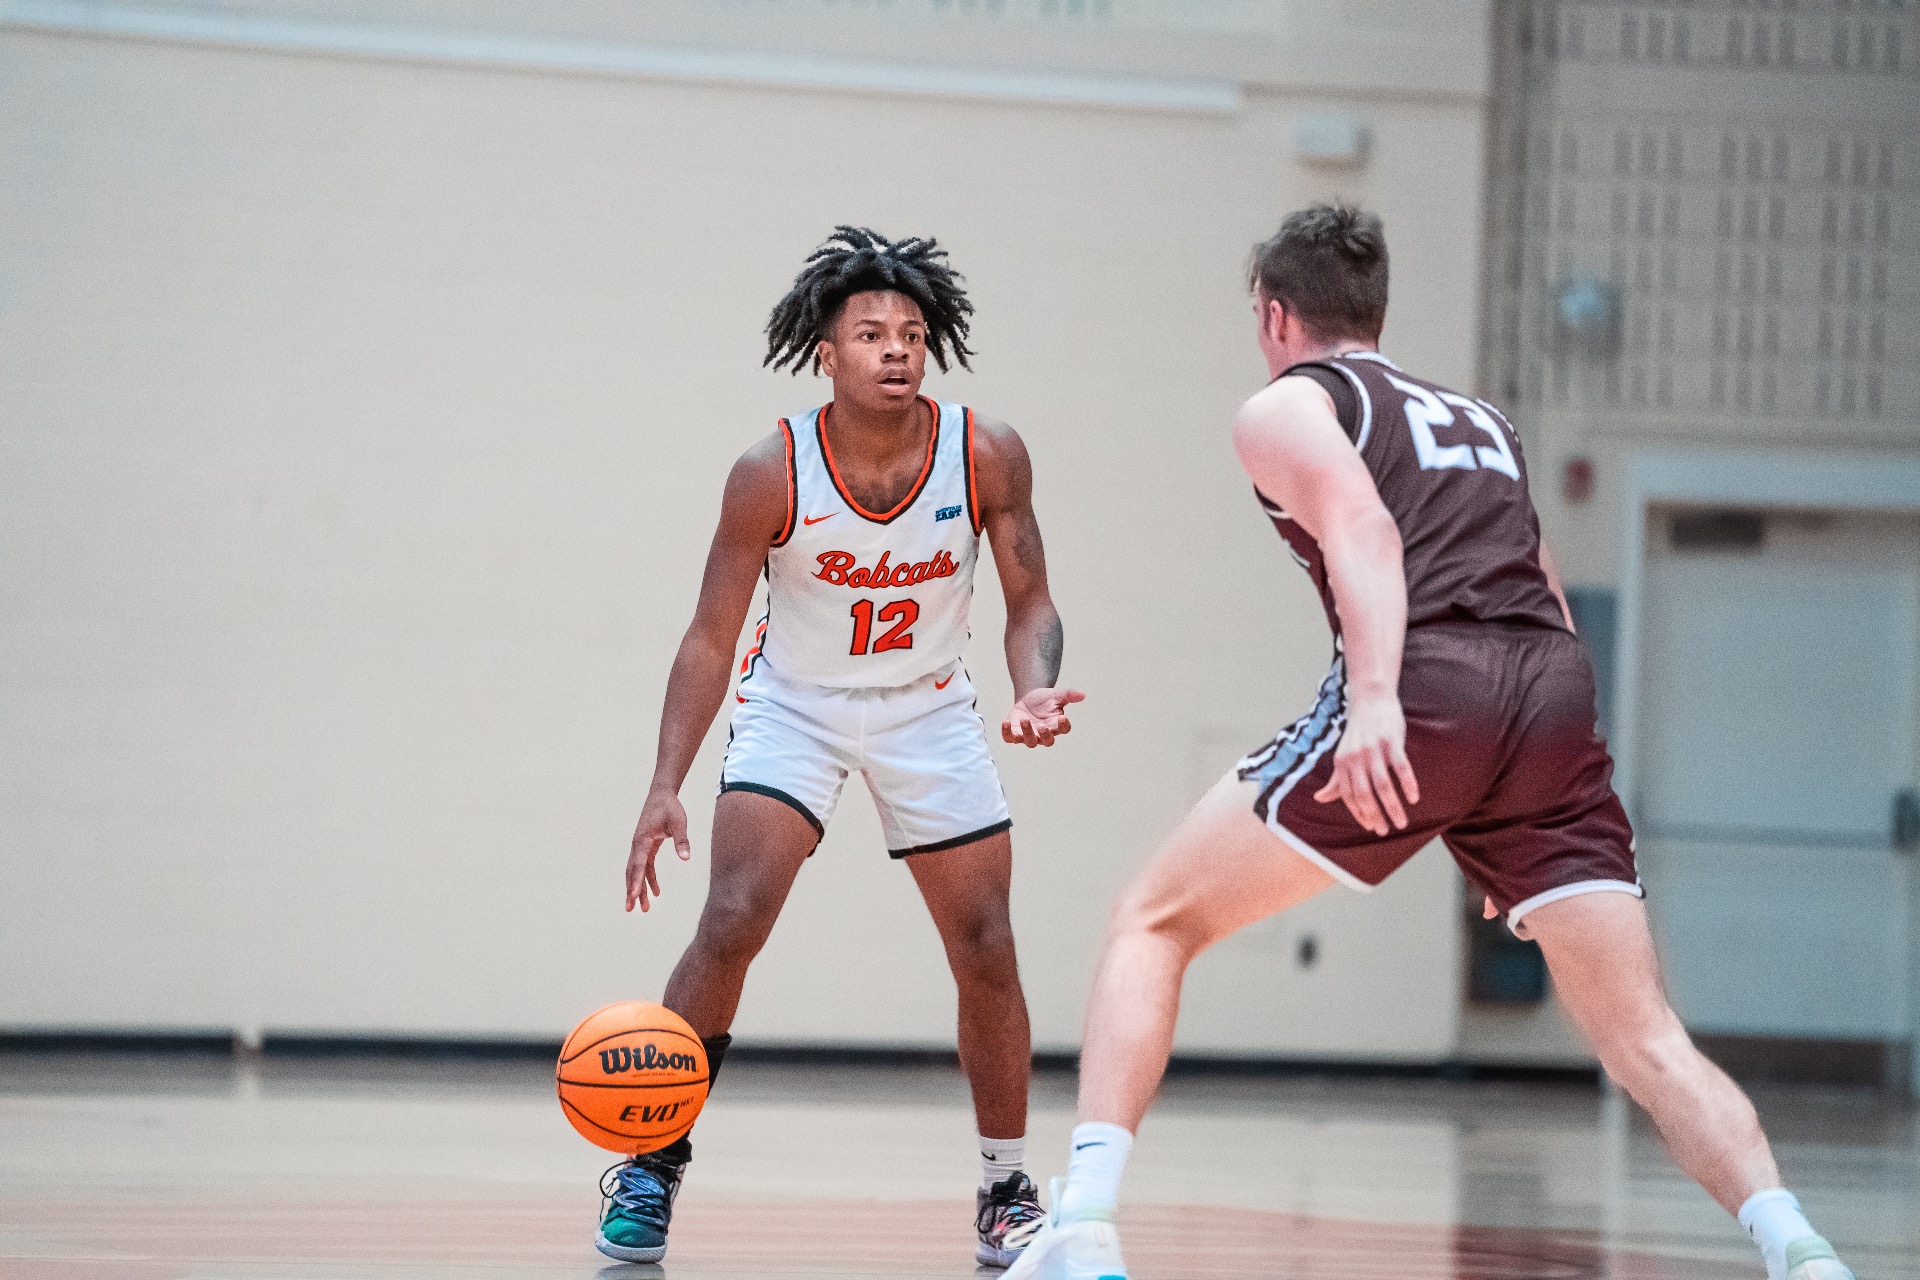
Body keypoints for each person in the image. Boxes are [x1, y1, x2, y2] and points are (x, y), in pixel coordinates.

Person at [1006, 205, 1854, 1280]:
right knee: (1646, 1037)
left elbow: (1362, 528)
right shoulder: (1481, 419)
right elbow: (1542, 585)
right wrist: (1512, 810)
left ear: (1275, 315)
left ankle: (1081, 1224)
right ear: (1377, 309)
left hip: (1432, 674)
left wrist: (1374, 698)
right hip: (1551, 696)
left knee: (1153, 918)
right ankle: (1800, 1246)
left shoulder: (1290, 405)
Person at [603, 227, 1081, 1268]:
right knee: (731, 915)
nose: (897, 349)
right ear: (828, 350)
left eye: (912, 332)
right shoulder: (769, 469)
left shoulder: (985, 451)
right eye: (872, 332)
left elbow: (1029, 594)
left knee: (988, 939)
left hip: (927, 703)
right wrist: (663, 784)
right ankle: (650, 1161)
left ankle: (1005, 1182)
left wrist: (1034, 689)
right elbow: (709, 635)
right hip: (797, 703)